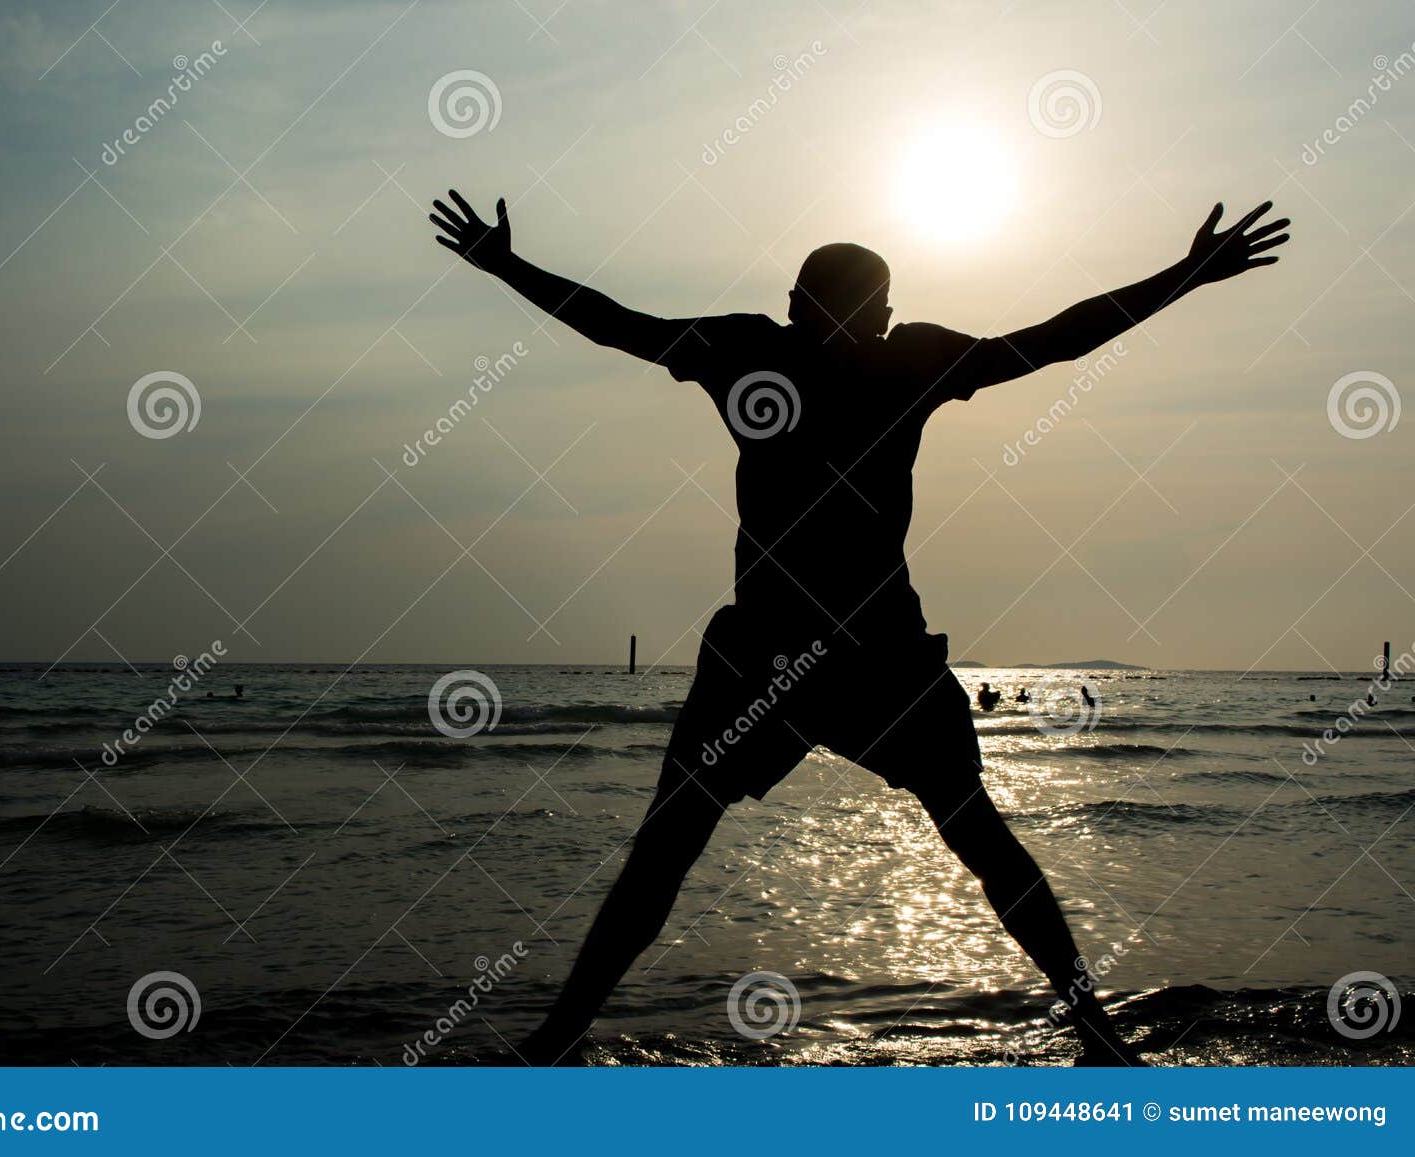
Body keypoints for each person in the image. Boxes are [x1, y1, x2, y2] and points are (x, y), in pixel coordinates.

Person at [430, 189, 1287, 1067]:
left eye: (858, 315)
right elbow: (1055, 337)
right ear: (816, 311)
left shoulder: (791, 352)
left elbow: (618, 323)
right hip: (819, 653)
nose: (849, 328)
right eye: (843, 313)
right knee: (920, 838)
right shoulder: (855, 356)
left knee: (712, 845)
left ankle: (558, 1039)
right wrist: (1186, 276)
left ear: (848, 312)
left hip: (837, 651)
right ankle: (1097, 1034)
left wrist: (506, 267)